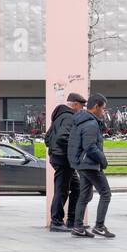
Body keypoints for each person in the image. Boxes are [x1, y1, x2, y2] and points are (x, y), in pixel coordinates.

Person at [68, 94, 114, 238]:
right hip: (89, 164)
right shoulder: (91, 123)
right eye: (103, 108)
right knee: (106, 194)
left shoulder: (82, 120)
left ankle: (78, 227)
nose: (104, 111)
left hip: (81, 163)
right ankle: (99, 226)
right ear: (96, 107)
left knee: (85, 195)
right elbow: (90, 147)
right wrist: (103, 160)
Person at [46, 92, 86, 231]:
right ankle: (56, 222)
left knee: (77, 188)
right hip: (64, 159)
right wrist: (74, 152)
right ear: (75, 105)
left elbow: (47, 138)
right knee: (62, 190)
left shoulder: (60, 117)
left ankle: (72, 220)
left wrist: (54, 150)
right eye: (81, 106)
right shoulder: (70, 117)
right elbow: (63, 138)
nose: (82, 109)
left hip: (58, 157)